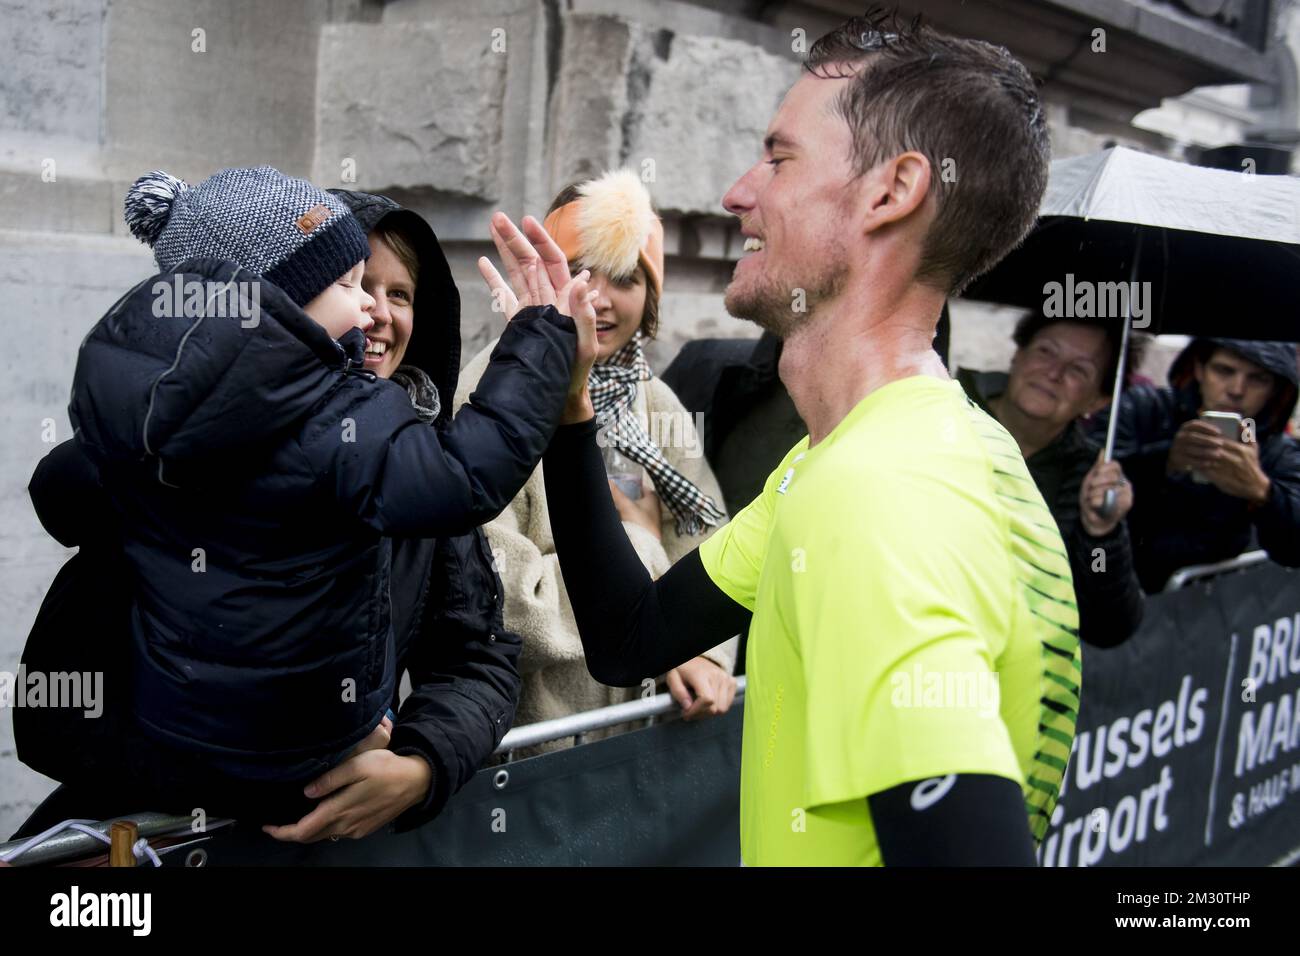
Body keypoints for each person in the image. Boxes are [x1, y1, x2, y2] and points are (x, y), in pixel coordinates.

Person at [483, 13, 1082, 865]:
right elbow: (631, 633)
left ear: (892, 191)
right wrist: (572, 403)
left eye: (778, 156)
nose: (736, 192)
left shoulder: (881, 494)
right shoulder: (843, 461)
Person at [47, 166, 596, 826]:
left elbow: (476, 660)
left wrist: (421, 768)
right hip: (160, 827)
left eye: (400, 293)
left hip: (338, 833)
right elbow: (83, 679)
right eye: (355, 284)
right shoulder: (164, 450)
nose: (376, 310)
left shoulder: (412, 457)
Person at [460, 170, 736, 754]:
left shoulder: (655, 404)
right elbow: (497, 603)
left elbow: (711, 544)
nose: (602, 299)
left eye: (627, 278)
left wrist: (700, 648)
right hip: (526, 759)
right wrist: (641, 547)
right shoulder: (489, 398)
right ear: (548, 273)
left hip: (632, 751)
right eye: (583, 271)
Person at [957, 315, 1145, 647]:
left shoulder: (1092, 479)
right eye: (1046, 352)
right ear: (1018, 355)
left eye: (1079, 370)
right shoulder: (942, 416)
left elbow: (1109, 626)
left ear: (1098, 401)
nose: (1054, 373)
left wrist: (1101, 537)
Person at [1091, 336, 1300, 592]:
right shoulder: (1141, 408)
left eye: (1258, 379)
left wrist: (1263, 493)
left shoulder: (1277, 450)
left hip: (1211, 602)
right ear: (1199, 368)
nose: (1236, 389)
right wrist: (1165, 462)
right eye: (1224, 371)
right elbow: (1085, 482)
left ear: (1276, 389)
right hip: (1115, 580)